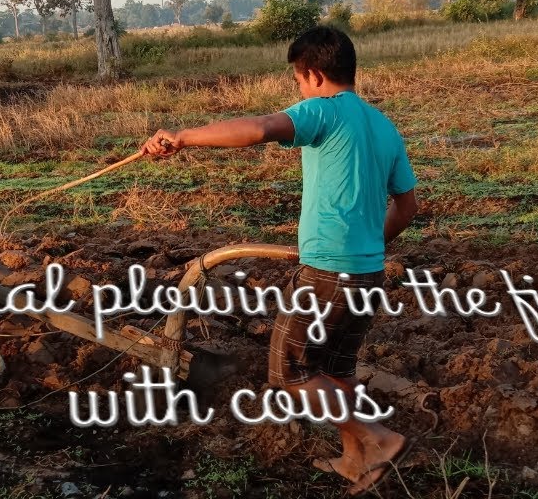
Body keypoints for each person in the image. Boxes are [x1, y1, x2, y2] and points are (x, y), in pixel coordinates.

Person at [142, 25, 419, 494]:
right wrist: (366, 244)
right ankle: (357, 461)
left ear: (311, 74)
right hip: (368, 273)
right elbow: (408, 208)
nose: (298, 88)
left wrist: (184, 137)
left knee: (289, 373)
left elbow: (258, 130)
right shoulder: (383, 126)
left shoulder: (323, 112)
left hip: (328, 274)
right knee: (336, 372)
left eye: (297, 79)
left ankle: (375, 439)